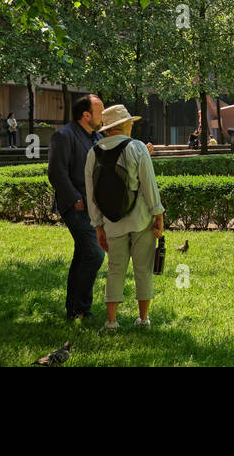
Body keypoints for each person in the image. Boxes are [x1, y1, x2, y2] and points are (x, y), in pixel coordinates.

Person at [85, 105, 164, 333]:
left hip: (111, 222)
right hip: (141, 220)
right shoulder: (137, 147)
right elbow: (149, 186)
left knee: (115, 269)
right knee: (143, 269)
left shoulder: (93, 153)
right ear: (125, 124)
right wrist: (158, 215)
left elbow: (91, 195)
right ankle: (143, 319)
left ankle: (111, 322)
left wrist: (98, 225)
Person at [48, 94, 105, 321]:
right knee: (94, 254)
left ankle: (75, 309)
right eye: (100, 112)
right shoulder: (63, 136)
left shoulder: (98, 137)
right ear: (86, 114)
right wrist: (74, 199)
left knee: (83, 256)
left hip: (94, 207)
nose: (102, 116)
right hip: (76, 207)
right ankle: (82, 309)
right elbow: (56, 172)